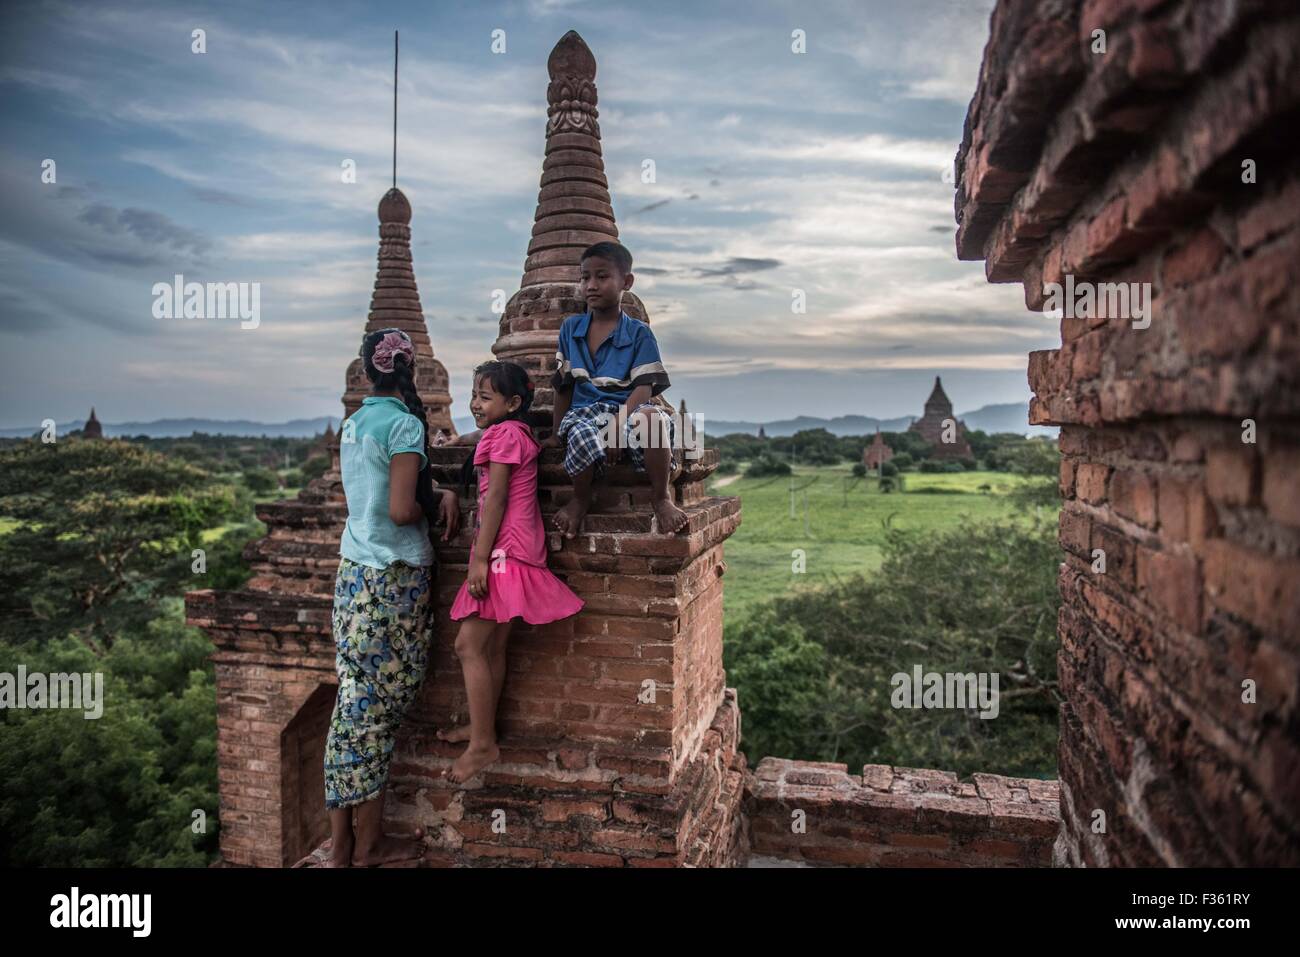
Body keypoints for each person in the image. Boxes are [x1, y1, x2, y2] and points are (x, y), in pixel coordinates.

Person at [323, 328, 460, 867]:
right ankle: (365, 847)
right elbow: (403, 510)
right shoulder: (404, 425)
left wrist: (434, 490)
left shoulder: (354, 423)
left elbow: (374, 499)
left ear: (364, 373)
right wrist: (440, 499)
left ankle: (342, 848)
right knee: (376, 711)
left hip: (354, 574)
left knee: (353, 705)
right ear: (412, 371)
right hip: (395, 579)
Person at [440, 360, 584, 784]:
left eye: (485, 397)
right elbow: (482, 441)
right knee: (494, 646)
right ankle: (482, 727)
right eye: (474, 396)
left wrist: (480, 559)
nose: (475, 404)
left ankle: (483, 744)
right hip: (518, 547)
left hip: (503, 550)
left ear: (514, 402)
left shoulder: (504, 435)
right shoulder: (513, 431)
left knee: (468, 646)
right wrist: (459, 437)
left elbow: (497, 498)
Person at [546, 241, 689, 538]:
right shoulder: (571, 329)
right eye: (585, 277)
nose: (591, 285)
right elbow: (564, 384)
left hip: (627, 411)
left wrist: (618, 423)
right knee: (580, 434)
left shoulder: (638, 333)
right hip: (585, 413)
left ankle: (661, 497)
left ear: (626, 281)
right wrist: (555, 431)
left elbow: (645, 386)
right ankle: (581, 498)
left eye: (602, 276)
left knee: (652, 418)